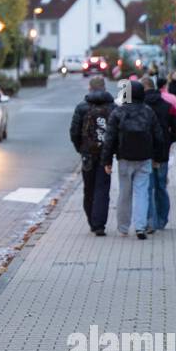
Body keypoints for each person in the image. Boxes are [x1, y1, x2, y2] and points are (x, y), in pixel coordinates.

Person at [102, 79, 165, 240]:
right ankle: (140, 227)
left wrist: (107, 161)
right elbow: (158, 136)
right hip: (144, 158)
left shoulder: (118, 112)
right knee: (142, 193)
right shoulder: (148, 112)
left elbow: (109, 138)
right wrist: (158, 157)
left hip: (124, 158)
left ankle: (123, 228)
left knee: (124, 193)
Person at [70, 75, 114, 235]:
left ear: (90, 88)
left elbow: (74, 131)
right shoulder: (112, 107)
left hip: (87, 154)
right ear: (104, 88)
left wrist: (80, 148)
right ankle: (99, 224)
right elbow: (116, 131)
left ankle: (92, 222)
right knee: (102, 189)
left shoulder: (82, 107)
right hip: (105, 155)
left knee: (89, 189)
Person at [143, 76, 176, 232]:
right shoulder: (168, 105)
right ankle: (162, 220)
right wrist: (171, 140)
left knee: (147, 187)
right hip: (162, 151)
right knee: (161, 186)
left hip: (145, 152)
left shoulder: (140, 106)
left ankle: (150, 220)